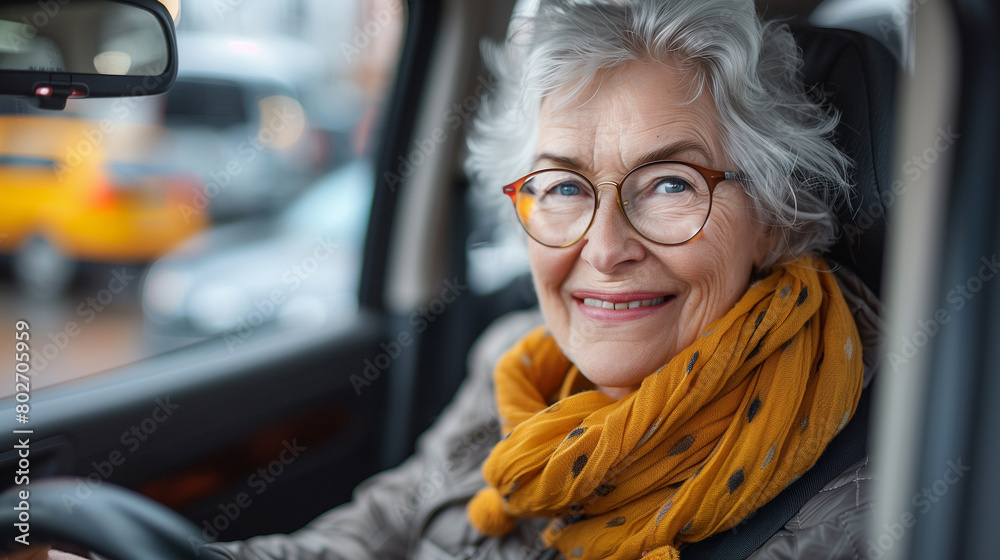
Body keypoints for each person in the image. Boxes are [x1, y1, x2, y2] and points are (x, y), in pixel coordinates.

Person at [14, 0, 882, 558]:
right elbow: (365, 539)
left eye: (669, 184)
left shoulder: (865, 492)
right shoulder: (514, 366)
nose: (604, 246)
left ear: (775, 215)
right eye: (565, 187)